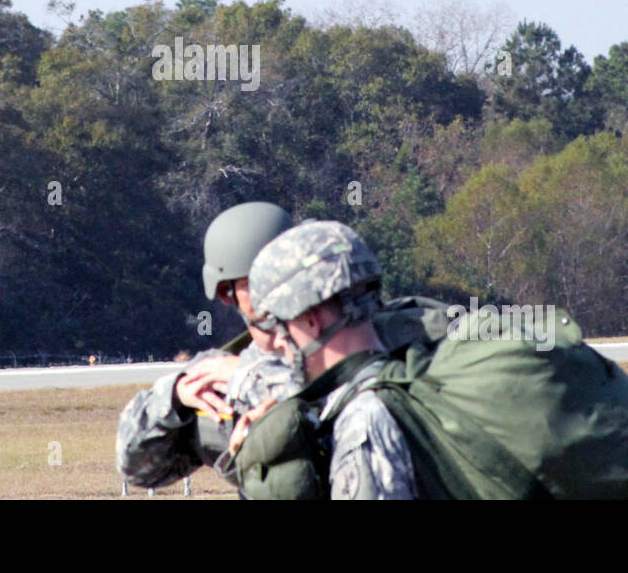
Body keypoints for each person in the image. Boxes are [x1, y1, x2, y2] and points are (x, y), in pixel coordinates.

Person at [115, 202, 302, 489]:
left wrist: (246, 374)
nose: (274, 288)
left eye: (282, 275)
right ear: (227, 294)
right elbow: (135, 467)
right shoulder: (216, 375)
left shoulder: (341, 345)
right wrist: (175, 398)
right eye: (257, 280)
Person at [241, 220, 418, 499]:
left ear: (310, 322)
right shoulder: (411, 381)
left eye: (281, 328)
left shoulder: (364, 420)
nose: (278, 343)